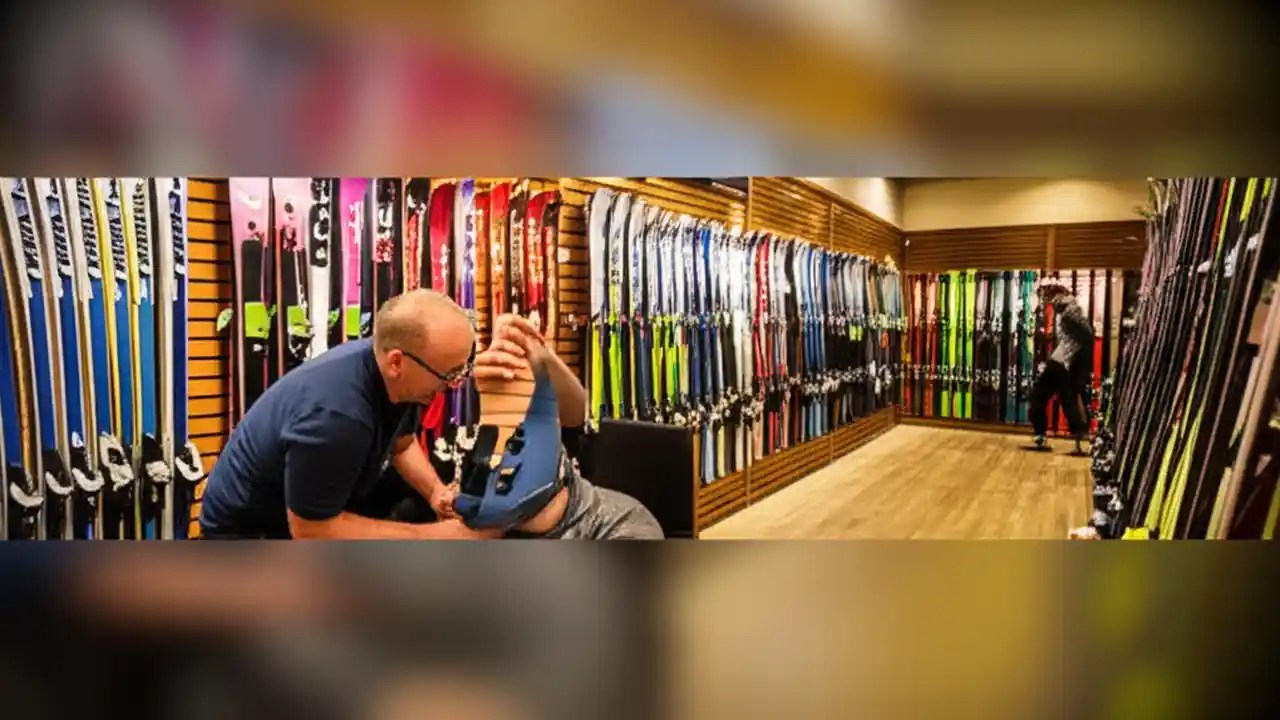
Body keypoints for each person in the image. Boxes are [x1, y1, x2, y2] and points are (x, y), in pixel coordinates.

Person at [200, 289, 498, 539]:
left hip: (299, 517)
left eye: (461, 370)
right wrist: (434, 537)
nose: (455, 384)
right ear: (397, 362)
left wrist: (435, 492)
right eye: (448, 373)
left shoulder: (399, 376)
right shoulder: (339, 415)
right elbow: (311, 531)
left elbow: (401, 443)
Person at [1028, 277, 1094, 452]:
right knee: (1068, 400)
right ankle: (1078, 439)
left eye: (1046, 294)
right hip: (1063, 361)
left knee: (1039, 397)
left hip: (1061, 361)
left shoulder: (1068, 309)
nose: (1045, 299)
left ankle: (1042, 436)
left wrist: (1076, 356)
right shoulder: (1067, 308)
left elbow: (1087, 334)